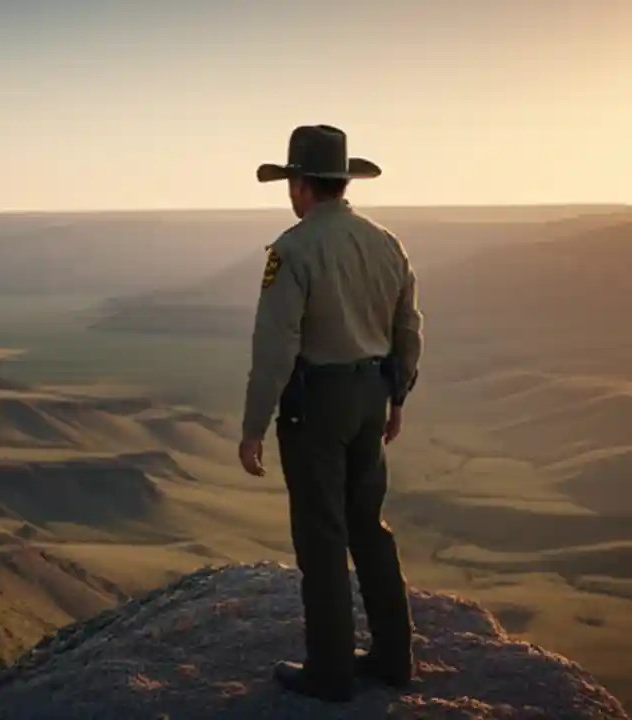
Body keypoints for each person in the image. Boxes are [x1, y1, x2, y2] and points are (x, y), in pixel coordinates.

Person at [239, 124, 423, 702]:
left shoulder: (291, 251)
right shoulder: (385, 242)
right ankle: (394, 658)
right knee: (368, 525)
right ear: (342, 181)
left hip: (317, 405)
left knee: (321, 536)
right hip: (371, 394)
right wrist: (396, 398)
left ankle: (330, 672)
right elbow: (407, 330)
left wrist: (252, 429)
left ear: (300, 184)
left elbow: (275, 348)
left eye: (290, 181)